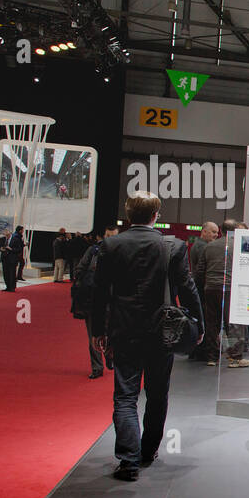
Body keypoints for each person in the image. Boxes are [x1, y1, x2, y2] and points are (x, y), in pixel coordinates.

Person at [90, 193, 204, 481]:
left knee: (125, 395)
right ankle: (148, 451)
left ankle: (128, 460)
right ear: (157, 214)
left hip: (124, 329)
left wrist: (97, 331)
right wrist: (200, 326)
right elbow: (187, 288)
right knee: (156, 393)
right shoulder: (172, 246)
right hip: (162, 332)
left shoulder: (111, 245)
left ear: (129, 214)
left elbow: (99, 291)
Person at [195, 219, 249, 368]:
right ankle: (235, 358)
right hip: (229, 289)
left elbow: (199, 271)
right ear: (235, 231)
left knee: (212, 324)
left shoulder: (209, 246)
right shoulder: (238, 247)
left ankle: (212, 357)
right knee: (233, 325)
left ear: (221, 230)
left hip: (211, 288)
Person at [72, 225, 118, 378]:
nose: (110, 239)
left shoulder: (122, 252)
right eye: (108, 236)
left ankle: (110, 355)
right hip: (93, 300)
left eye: (113, 236)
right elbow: (79, 269)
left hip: (114, 302)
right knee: (93, 334)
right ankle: (97, 367)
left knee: (112, 332)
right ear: (103, 236)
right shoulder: (93, 251)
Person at [188, 222, 219, 359]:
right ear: (204, 232)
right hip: (201, 288)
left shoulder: (200, 245)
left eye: (217, 232)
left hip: (200, 287)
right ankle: (201, 351)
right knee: (204, 321)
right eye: (212, 232)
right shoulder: (203, 247)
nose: (215, 235)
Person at [0, 226, 25, 292]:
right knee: (5, 273)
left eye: (7, 235)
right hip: (4, 258)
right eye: (5, 235)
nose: (6, 236)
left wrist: (11, 249)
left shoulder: (15, 239)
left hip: (12, 259)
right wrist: (1, 249)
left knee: (12, 273)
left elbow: (19, 249)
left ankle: (12, 287)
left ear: (10, 234)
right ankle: (7, 286)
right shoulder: (2, 239)